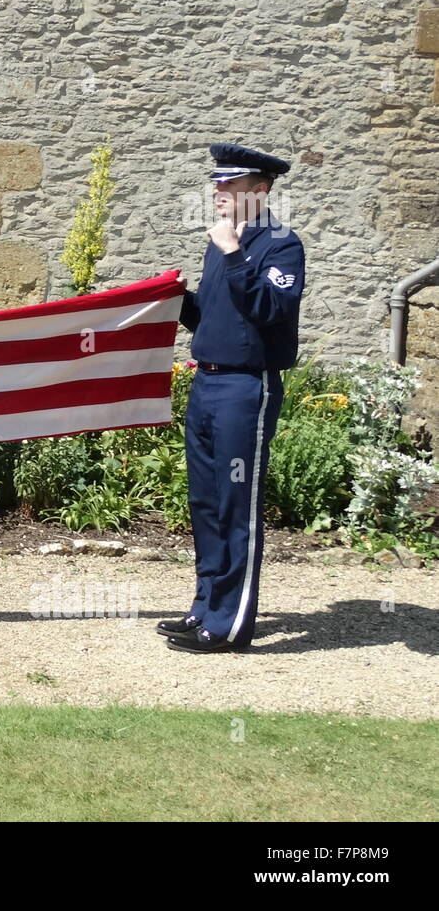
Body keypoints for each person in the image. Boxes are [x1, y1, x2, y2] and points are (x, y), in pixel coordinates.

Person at [161, 143, 304, 653]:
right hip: (207, 383)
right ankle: (205, 607)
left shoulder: (281, 245)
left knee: (236, 504)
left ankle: (230, 623)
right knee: (206, 501)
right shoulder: (222, 244)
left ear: (260, 189)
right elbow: (217, 320)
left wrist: (233, 253)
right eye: (217, 183)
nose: (218, 191)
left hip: (248, 388)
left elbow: (269, 309)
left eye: (230, 184)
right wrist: (179, 300)